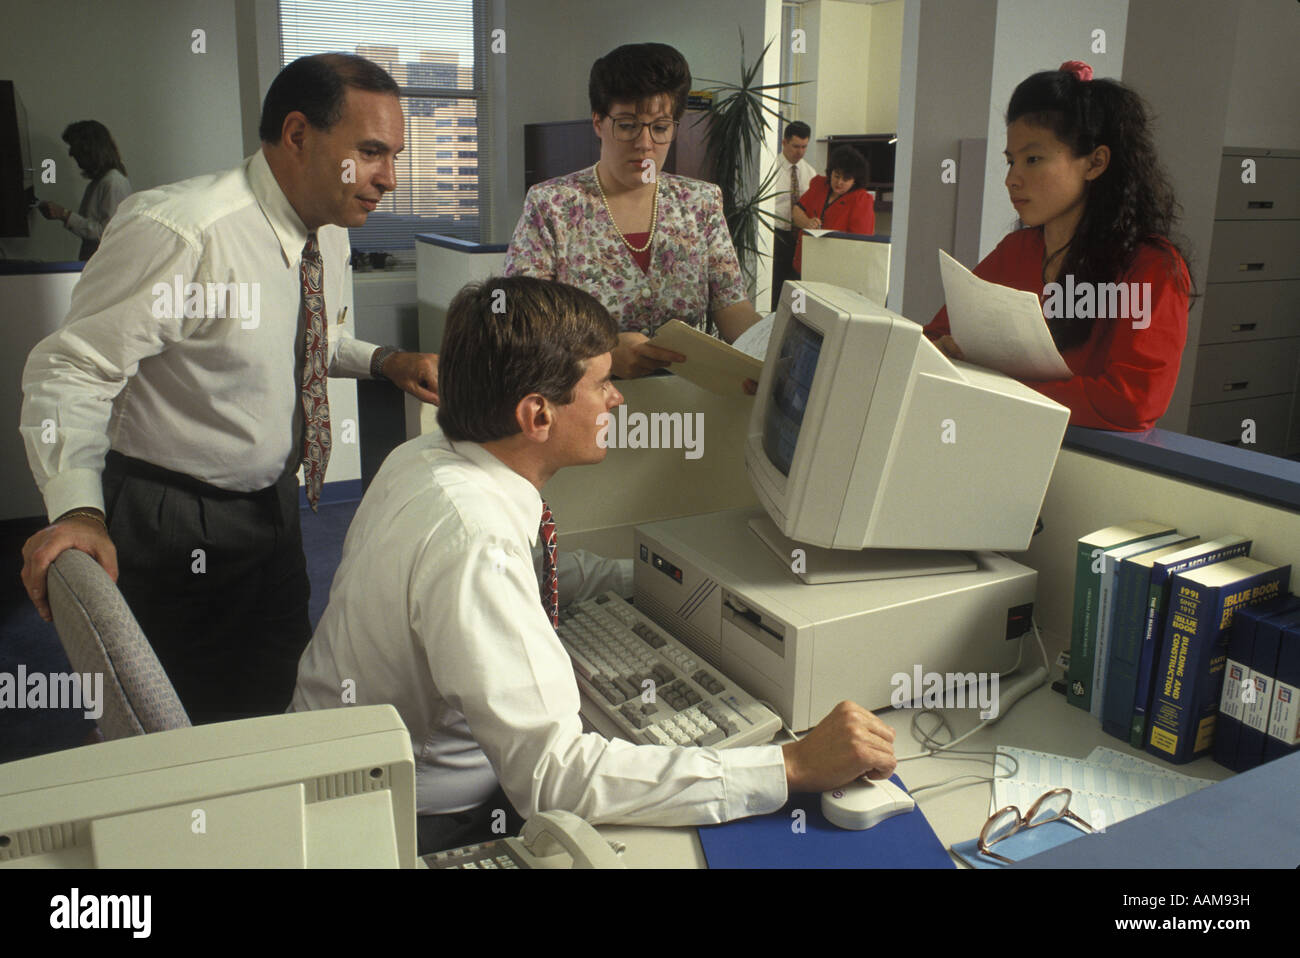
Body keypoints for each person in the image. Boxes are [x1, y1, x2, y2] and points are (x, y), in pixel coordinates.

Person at [291, 275, 897, 854]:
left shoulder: (427, 457)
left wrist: (671, 583)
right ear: (538, 416)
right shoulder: (478, 543)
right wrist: (789, 765)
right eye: (602, 383)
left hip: (328, 769)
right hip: (419, 817)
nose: (618, 397)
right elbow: (556, 779)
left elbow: (542, 575)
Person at [19, 53, 440, 725]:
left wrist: (386, 360)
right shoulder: (179, 230)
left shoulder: (328, 231)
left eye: (394, 155)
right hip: (171, 517)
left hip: (273, 508)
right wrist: (77, 510)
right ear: (299, 135)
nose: (389, 179)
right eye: (371, 152)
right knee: (185, 723)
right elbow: (71, 369)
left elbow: (306, 344)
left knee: (277, 688)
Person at [925, 61, 1191, 432]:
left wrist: (995, 382)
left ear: (1095, 163)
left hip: (1088, 466)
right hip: (1001, 441)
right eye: (1011, 161)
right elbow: (935, 337)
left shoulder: (1150, 267)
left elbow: (1132, 401)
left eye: (1033, 160)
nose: (1012, 180)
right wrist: (944, 354)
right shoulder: (1016, 249)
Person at [503, 42, 762, 381]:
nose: (644, 143)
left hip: (689, 402)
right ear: (598, 122)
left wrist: (771, 352)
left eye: (660, 127)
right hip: (587, 404)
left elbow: (733, 309)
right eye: (627, 125)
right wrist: (602, 354)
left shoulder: (700, 202)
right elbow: (519, 324)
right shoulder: (553, 205)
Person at [38, 120, 132, 260]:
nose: (70, 153)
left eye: (74, 147)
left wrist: (64, 214)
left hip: (105, 266)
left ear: (89, 149)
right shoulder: (99, 183)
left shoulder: (113, 182)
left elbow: (108, 233)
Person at [791, 144, 875, 273]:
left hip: (836, 269)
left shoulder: (861, 200)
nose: (839, 182)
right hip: (805, 263)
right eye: (836, 176)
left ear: (855, 181)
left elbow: (860, 244)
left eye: (846, 179)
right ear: (831, 172)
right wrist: (807, 223)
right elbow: (797, 211)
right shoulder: (819, 185)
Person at [771, 120, 816, 310]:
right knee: (775, 286)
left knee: (798, 288)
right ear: (784, 143)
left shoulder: (810, 172)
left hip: (799, 238)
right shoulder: (771, 167)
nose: (800, 152)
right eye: (796, 146)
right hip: (776, 234)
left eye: (804, 147)